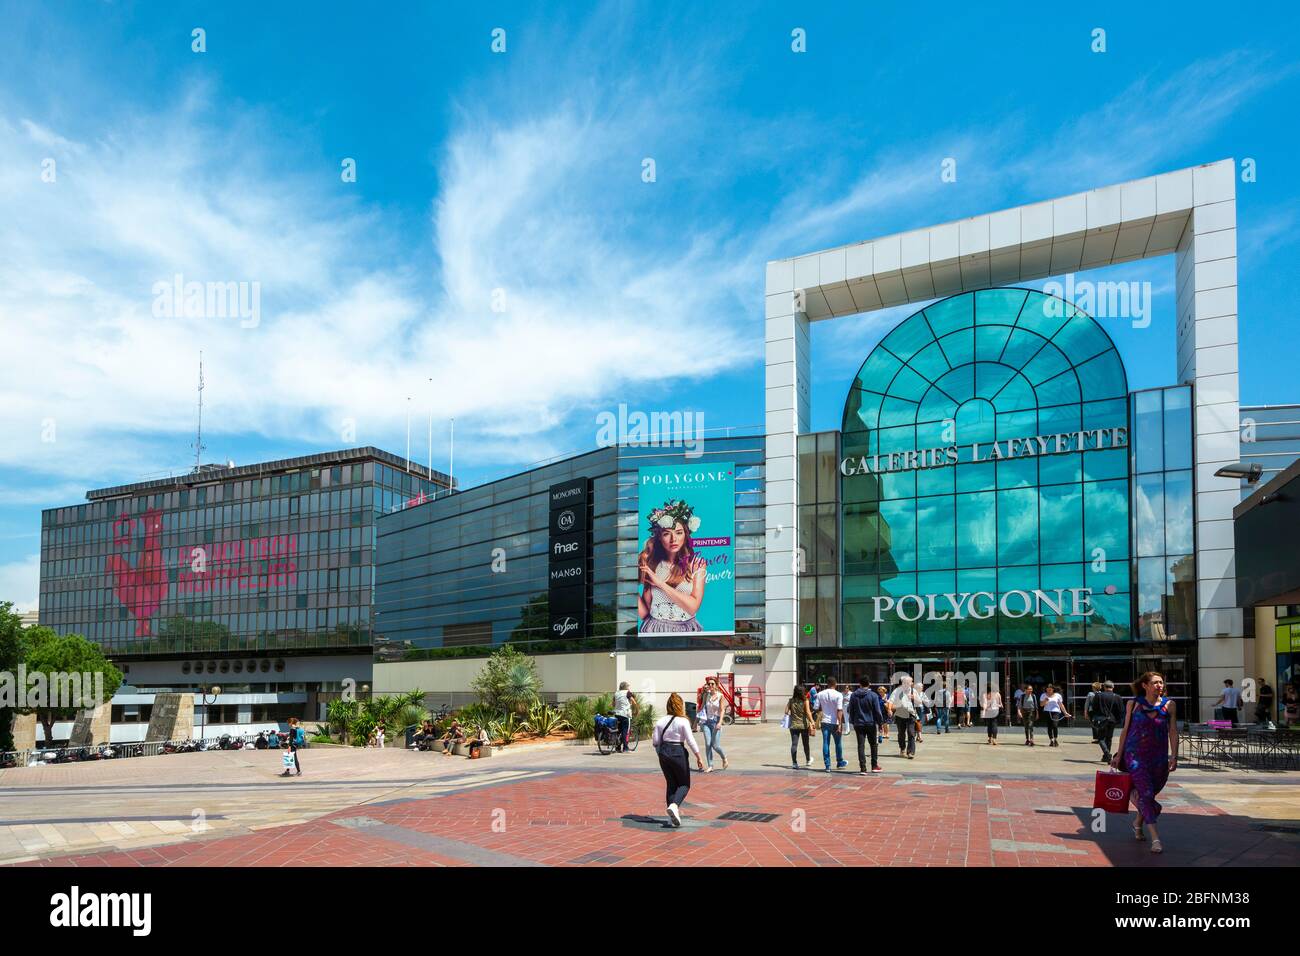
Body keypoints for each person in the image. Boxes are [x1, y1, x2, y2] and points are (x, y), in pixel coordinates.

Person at [1112, 671, 1179, 854]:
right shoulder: (1133, 704)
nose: (1160, 685)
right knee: (1147, 794)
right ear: (1145, 685)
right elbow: (1125, 730)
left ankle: (1137, 823)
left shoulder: (1170, 705)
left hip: (1158, 758)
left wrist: (1174, 755)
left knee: (1149, 794)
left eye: (1161, 682)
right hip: (1135, 755)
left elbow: (1173, 731)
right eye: (1156, 682)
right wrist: (1119, 754)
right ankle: (1156, 839)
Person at [637, 501, 707, 633]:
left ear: (686, 535)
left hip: (687, 630)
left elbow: (693, 607)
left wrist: (660, 583)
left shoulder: (696, 564)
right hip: (654, 629)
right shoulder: (651, 564)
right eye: (666, 533)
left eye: (679, 532)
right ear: (659, 538)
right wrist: (629, 589)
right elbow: (645, 614)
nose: (673, 539)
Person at [652, 693, 705, 827]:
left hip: (664, 753)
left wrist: (660, 754)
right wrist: (698, 757)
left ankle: (672, 818)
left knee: (671, 784)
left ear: (668, 706)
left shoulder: (660, 721)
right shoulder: (683, 721)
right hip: (678, 752)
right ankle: (674, 807)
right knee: (684, 784)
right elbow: (690, 740)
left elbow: (656, 741)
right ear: (680, 706)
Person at [847, 678, 885, 773]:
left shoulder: (854, 695)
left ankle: (863, 768)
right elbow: (877, 711)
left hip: (858, 723)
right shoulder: (873, 695)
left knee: (860, 745)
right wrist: (880, 723)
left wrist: (852, 720)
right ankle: (874, 765)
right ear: (869, 684)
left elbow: (850, 709)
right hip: (870, 723)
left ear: (859, 684)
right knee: (873, 745)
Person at [697, 676, 729, 771]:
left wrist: (720, 722)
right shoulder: (706, 695)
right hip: (706, 722)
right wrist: (697, 721)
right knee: (708, 744)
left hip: (716, 722)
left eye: (712, 684)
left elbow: (722, 710)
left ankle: (724, 757)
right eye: (709, 684)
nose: (710, 685)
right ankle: (710, 765)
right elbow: (702, 707)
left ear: (716, 685)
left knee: (715, 745)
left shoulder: (720, 696)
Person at [815, 678, 847, 770]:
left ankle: (827, 765)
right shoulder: (838, 695)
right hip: (835, 722)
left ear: (827, 684)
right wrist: (840, 724)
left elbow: (816, 707)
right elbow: (839, 710)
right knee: (838, 743)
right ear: (835, 684)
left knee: (826, 743)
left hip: (825, 721)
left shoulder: (820, 694)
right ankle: (839, 761)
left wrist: (823, 707)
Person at [1091, 680, 1125, 763]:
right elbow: (1121, 710)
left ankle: (1107, 753)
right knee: (1109, 738)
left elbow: (1094, 707)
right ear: (1113, 687)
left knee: (1101, 738)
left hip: (1102, 719)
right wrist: (1118, 719)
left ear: (1104, 687)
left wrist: (1094, 716)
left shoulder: (1098, 696)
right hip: (1112, 720)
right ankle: (1106, 756)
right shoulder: (1117, 697)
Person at [784, 685, 815, 769]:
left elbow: (786, 711)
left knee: (794, 744)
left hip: (793, 725)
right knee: (806, 744)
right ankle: (808, 760)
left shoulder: (791, 701)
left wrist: (792, 714)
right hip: (804, 725)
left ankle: (794, 763)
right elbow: (808, 712)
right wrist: (812, 721)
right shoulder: (805, 701)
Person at [889, 677, 920, 759]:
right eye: (905, 682)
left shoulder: (914, 691)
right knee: (901, 733)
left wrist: (915, 698)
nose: (906, 684)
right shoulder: (897, 691)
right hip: (900, 714)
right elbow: (890, 700)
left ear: (911, 683)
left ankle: (910, 752)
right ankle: (902, 748)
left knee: (911, 733)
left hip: (910, 714)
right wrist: (889, 709)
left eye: (908, 682)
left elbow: (919, 702)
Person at [613, 681, 639, 753]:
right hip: (625, 714)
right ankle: (625, 748)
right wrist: (637, 710)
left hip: (617, 714)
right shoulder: (627, 692)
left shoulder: (616, 693)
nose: (628, 688)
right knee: (625, 731)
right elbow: (634, 702)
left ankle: (617, 748)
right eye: (628, 686)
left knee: (618, 730)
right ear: (625, 687)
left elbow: (613, 704)